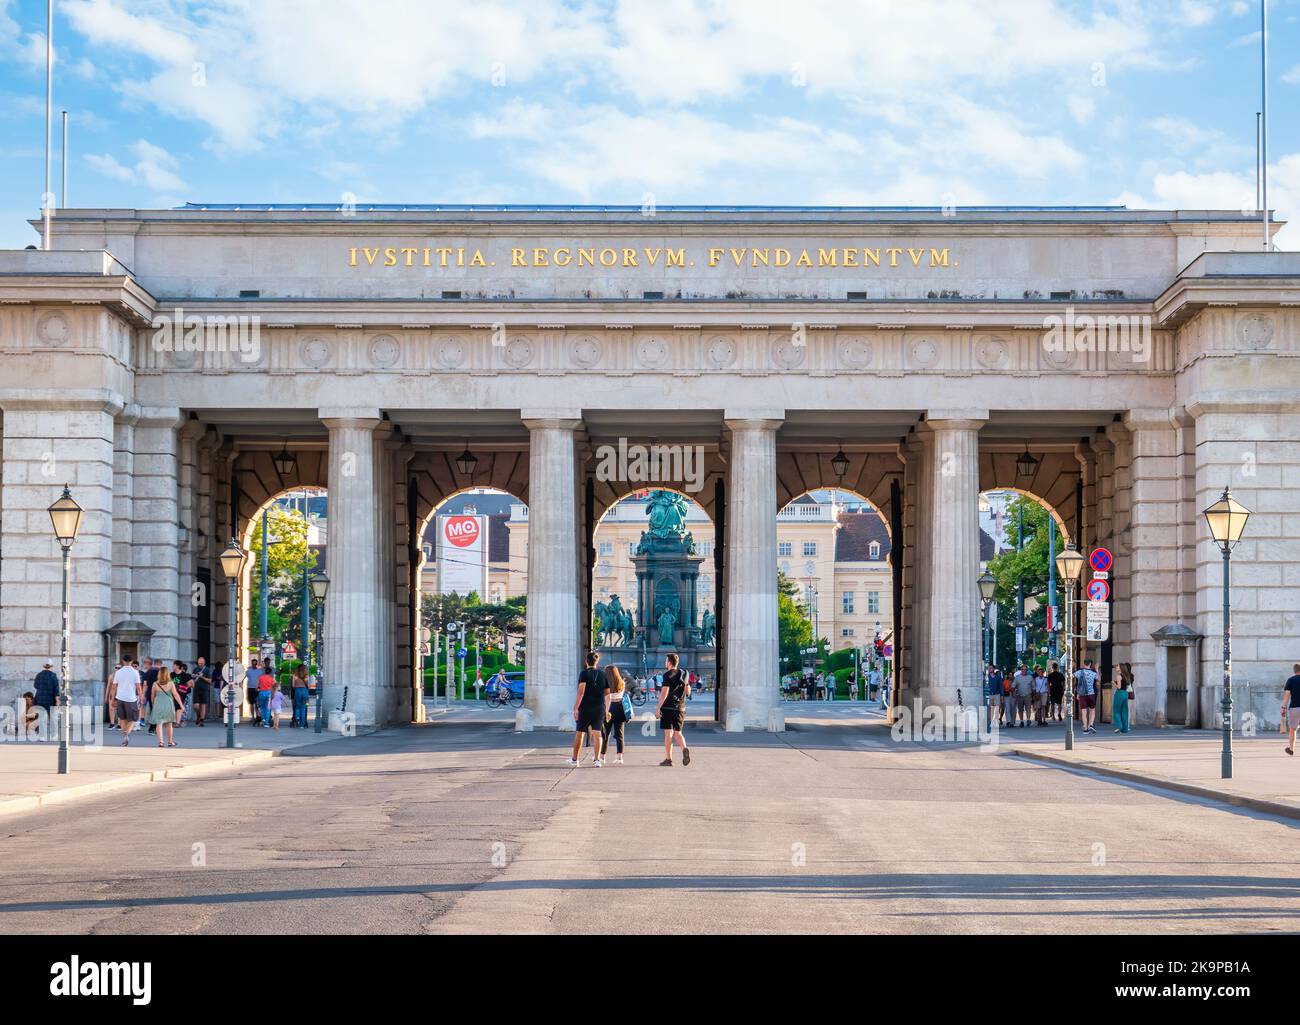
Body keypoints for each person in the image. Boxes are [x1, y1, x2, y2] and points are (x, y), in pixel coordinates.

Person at [568, 651, 610, 767]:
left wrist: (576, 707)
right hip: (599, 707)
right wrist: (607, 710)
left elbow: (581, 692)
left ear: (586, 661)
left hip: (586, 707)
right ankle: (597, 760)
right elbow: (608, 694)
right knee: (598, 734)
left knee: (580, 732)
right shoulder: (603, 674)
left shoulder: (584, 674)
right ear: (597, 662)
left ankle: (575, 759)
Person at [656, 652, 691, 767]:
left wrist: (658, 708)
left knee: (668, 734)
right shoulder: (684, 673)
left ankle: (668, 759)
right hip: (680, 707)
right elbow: (688, 691)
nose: (665, 663)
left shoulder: (667, 675)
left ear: (669, 663)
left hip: (667, 708)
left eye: (666, 661)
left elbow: (664, 692)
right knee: (678, 733)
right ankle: (684, 748)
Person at [600, 664, 631, 766]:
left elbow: (604, 697)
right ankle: (619, 757)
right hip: (620, 708)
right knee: (620, 734)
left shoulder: (605, 683)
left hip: (608, 708)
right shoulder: (622, 682)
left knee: (605, 734)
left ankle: (602, 756)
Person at [110, 659, 142, 746]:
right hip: (131, 698)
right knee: (133, 719)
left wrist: (113, 699)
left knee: (122, 719)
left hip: (120, 698)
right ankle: (127, 733)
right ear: (131, 662)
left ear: (123, 661)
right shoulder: (135, 672)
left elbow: (114, 687)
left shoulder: (118, 672)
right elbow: (138, 687)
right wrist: (141, 699)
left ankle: (124, 736)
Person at [148, 665, 180, 747]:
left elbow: (152, 697)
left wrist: (154, 704)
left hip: (158, 704)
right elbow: (175, 695)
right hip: (168, 704)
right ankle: (170, 741)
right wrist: (181, 704)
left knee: (159, 723)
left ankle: (161, 742)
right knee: (169, 723)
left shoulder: (155, 684)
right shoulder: (171, 683)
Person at [1074, 659, 1099, 733]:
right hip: (1091, 694)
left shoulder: (1079, 672)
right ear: (1090, 664)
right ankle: (1090, 725)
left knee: (1084, 711)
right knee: (1092, 710)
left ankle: (1085, 728)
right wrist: (1097, 670)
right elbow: (1098, 679)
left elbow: (1070, 676)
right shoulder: (1093, 673)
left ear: (1084, 664)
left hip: (1082, 694)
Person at [33, 661, 59, 728]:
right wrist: (57, 701)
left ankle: (42, 735)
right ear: (51, 666)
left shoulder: (39, 675)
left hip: (40, 699)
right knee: (52, 717)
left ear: (43, 666)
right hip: (50, 700)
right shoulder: (53, 675)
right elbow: (56, 690)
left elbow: (35, 686)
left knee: (41, 718)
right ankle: (53, 735)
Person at [1282, 663, 1300, 756]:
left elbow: (1287, 695)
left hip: (1294, 708)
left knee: (1293, 729)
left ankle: (1291, 749)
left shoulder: (1291, 680)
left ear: (1294, 670)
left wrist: (1283, 707)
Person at [192, 656, 213, 726]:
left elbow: (210, 681)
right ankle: (198, 715)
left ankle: (201, 720)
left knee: (203, 705)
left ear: (204, 663)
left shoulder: (207, 670)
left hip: (204, 689)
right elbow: (192, 679)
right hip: (196, 689)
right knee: (196, 706)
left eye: (201, 663)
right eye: (199, 663)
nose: (200, 664)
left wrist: (202, 677)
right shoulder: (195, 669)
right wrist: (194, 676)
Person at [1113, 664, 1133, 734]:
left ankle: (1119, 726)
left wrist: (1113, 683)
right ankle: (1125, 729)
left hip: (1120, 693)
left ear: (1121, 668)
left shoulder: (1119, 676)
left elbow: (1119, 687)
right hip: (1125, 694)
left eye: (1117, 666)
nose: (1116, 667)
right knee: (1124, 711)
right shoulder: (1126, 676)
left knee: (1116, 711)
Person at [172, 661, 192, 726]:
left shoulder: (184, 675)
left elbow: (191, 684)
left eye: (174, 665)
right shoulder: (171, 674)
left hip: (181, 694)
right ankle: (174, 721)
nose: (172, 666)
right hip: (172, 693)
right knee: (173, 707)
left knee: (179, 707)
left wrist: (182, 688)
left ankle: (177, 722)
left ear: (177, 666)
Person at [291, 663, 310, 728]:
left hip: (297, 691)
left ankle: (297, 718)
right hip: (305, 691)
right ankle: (302, 725)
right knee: (303, 708)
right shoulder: (306, 675)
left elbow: (293, 685)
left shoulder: (294, 675)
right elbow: (308, 685)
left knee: (297, 707)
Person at [257, 663, 276, 727]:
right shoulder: (271, 679)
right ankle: (266, 723)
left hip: (261, 693)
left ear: (265, 671)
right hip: (268, 693)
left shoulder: (261, 677)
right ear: (270, 672)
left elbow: (257, 686)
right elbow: (274, 687)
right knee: (268, 708)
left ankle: (264, 719)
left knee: (262, 707)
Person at [245, 659, 264, 724]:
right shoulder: (248, 671)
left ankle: (257, 716)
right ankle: (252, 717)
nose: (254, 665)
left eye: (255, 664)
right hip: (250, 688)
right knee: (251, 703)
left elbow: (261, 680)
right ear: (251, 663)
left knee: (257, 704)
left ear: (256, 664)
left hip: (257, 688)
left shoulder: (259, 671)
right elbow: (243, 677)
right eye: (253, 664)